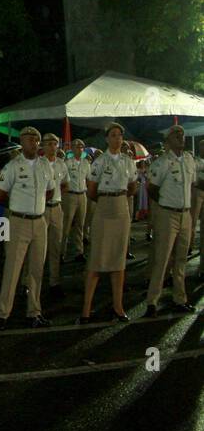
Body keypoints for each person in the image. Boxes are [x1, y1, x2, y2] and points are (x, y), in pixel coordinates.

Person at [0, 127, 59, 329]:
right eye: (30, 139)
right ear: (22, 142)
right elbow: (0, 196)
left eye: (36, 139)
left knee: (37, 270)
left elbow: (49, 192)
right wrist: (18, 208)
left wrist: (36, 206)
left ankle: (34, 312)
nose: (34, 142)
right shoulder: (13, 166)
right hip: (18, 221)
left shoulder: (45, 166)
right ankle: (3, 314)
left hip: (40, 221)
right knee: (12, 269)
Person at [78, 122, 138, 322]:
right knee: (97, 259)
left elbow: (132, 187)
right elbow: (92, 190)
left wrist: (119, 198)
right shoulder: (99, 162)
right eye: (113, 135)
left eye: (120, 135)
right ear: (107, 139)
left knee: (118, 260)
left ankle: (118, 306)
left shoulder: (128, 162)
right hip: (104, 207)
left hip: (122, 207)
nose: (117, 138)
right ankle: (86, 309)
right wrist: (107, 200)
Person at [144, 124, 197, 316]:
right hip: (168, 214)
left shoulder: (189, 160)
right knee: (162, 259)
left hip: (185, 214)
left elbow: (191, 185)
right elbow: (152, 189)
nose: (181, 137)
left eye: (182, 135)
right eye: (176, 135)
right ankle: (152, 302)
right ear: (168, 140)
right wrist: (166, 204)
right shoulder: (162, 163)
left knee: (181, 259)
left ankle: (179, 298)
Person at [41, 133, 67, 297]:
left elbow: (65, 184)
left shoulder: (61, 165)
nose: (52, 147)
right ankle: (27, 282)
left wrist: (56, 197)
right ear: (42, 146)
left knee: (55, 247)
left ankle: (54, 282)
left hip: (56, 207)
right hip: (41, 209)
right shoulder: (38, 164)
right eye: (49, 144)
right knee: (36, 248)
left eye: (55, 144)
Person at [61, 139, 91, 262]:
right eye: (77, 147)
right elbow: (62, 181)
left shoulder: (86, 164)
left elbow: (88, 180)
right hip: (70, 195)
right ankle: (61, 252)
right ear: (72, 149)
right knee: (66, 225)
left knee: (80, 224)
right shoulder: (67, 163)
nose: (79, 149)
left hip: (82, 195)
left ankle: (79, 251)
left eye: (81, 147)